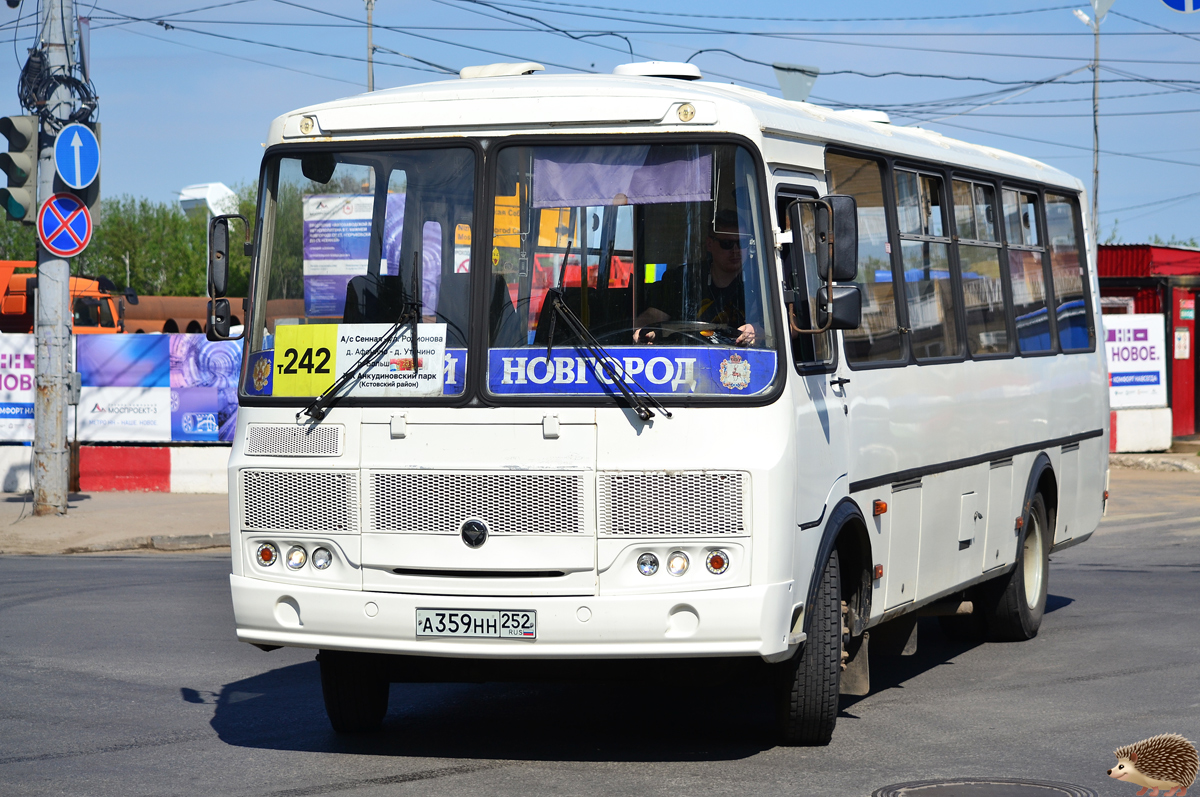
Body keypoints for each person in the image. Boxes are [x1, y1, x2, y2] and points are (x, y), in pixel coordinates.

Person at [634, 210, 762, 346]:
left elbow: (779, 327)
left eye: (742, 243)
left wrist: (755, 331)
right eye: (727, 243)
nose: (736, 250)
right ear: (709, 244)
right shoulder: (684, 278)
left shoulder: (761, 282)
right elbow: (653, 316)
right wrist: (644, 331)